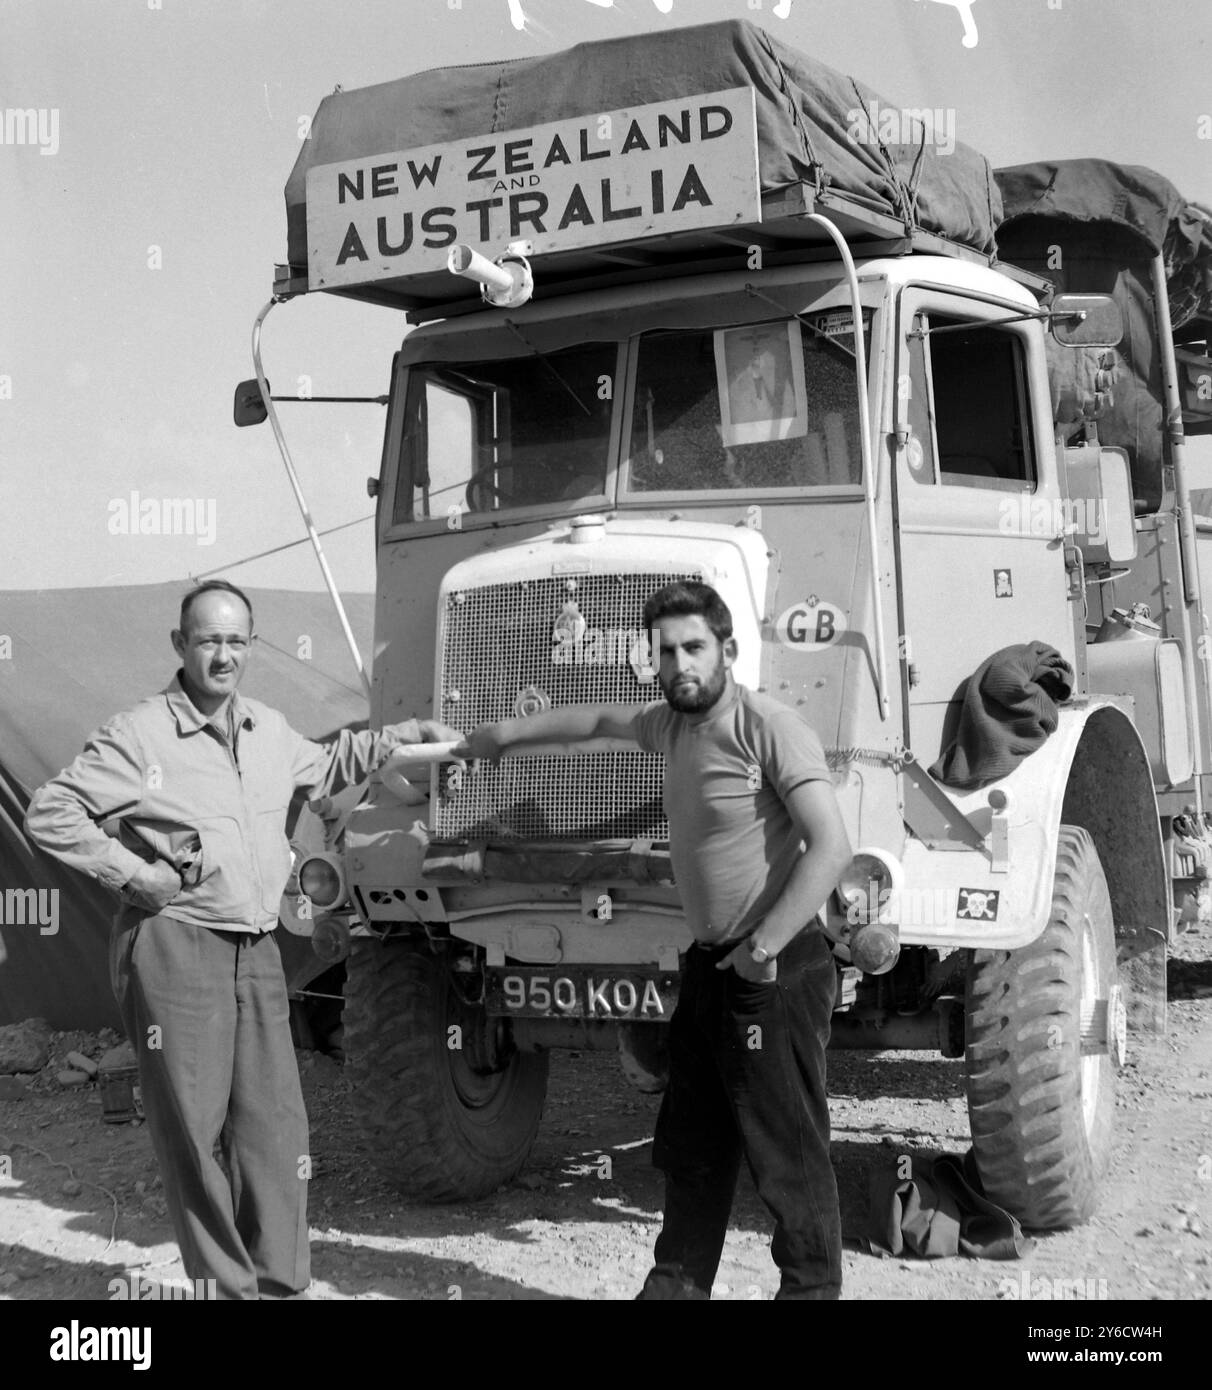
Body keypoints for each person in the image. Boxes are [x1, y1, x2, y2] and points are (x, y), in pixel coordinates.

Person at [24, 579, 461, 1300]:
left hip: (254, 949)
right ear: (180, 645)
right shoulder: (140, 734)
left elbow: (329, 764)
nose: (222, 656)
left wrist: (397, 741)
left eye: (235, 641)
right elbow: (53, 811)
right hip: (175, 942)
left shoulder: (264, 727)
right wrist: (135, 874)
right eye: (207, 640)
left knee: (275, 1129)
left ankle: (280, 1284)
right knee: (195, 1134)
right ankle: (226, 1289)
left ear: (250, 646)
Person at [457, 580, 852, 1299]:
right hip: (710, 967)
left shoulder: (767, 727)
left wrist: (761, 950)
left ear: (727, 649)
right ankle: (673, 1289)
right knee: (693, 1147)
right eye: (665, 651)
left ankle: (812, 1292)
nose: (679, 664)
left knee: (786, 1155)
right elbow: (594, 720)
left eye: (693, 647)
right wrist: (504, 736)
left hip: (774, 969)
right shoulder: (670, 726)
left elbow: (831, 847)